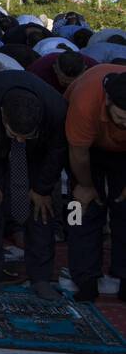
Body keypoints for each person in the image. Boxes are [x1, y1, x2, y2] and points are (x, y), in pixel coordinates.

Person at [0, 71, 65, 300]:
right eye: (15, 134)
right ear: (2, 115)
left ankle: (41, 278)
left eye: (25, 135)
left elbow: (57, 152)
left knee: (42, 210)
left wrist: (42, 189)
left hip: (37, 157)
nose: (19, 140)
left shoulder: (56, 109)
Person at [62, 64, 126, 301]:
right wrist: (86, 185)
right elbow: (78, 153)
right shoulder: (85, 100)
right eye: (120, 118)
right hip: (84, 150)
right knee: (79, 210)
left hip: (122, 154)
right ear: (108, 101)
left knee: (123, 207)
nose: (124, 125)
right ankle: (84, 277)